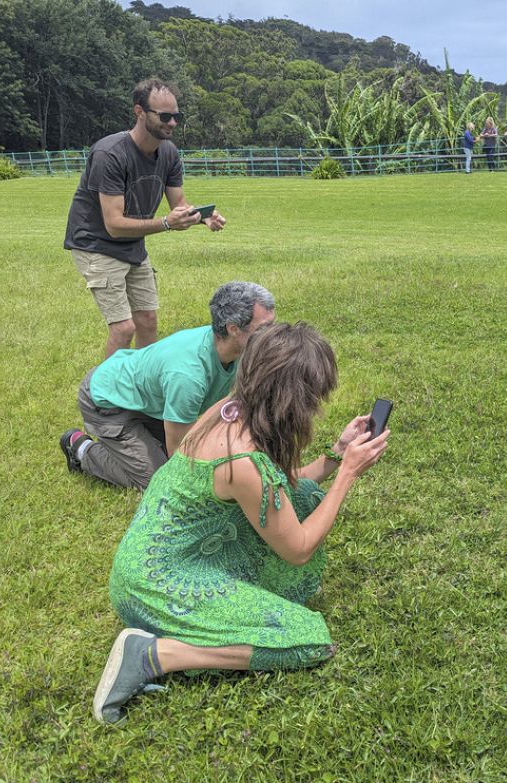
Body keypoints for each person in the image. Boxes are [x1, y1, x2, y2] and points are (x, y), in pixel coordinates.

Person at [91, 321, 389, 723]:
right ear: (293, 398)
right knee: (305, 639)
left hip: (149, 564)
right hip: (157, 585)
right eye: (314, 398)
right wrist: (349, 474)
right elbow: (299, 548)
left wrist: (336, 454)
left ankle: (192, 629)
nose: (317, 407)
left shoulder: (228, 411)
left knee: (301, 498)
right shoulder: (244, 462)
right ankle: (154, 654)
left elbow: (281, 490)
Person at [64, 78, 228, 358]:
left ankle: (142, 387)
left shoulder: (169, 153)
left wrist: (202, 217)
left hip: (133, 245)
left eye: (176, 116)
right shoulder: (110, 154)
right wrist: (166, 223)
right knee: (124, 328)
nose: (173, 123)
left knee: (147, 322)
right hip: (96, 244)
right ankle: (105, 397)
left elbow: (179, 205)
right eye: (164, 116)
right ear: (139, 112)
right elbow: (114, 225)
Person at [59, 281, 274, 490]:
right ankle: (81, 448)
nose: (273, 335)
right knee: (158, 478)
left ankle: (136, 442)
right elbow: (179, 450)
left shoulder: (237, 350)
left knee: (204, 446)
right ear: (233, 329)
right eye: (265, 327)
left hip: (145, 401)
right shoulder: (188, 375)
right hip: (106, 402)